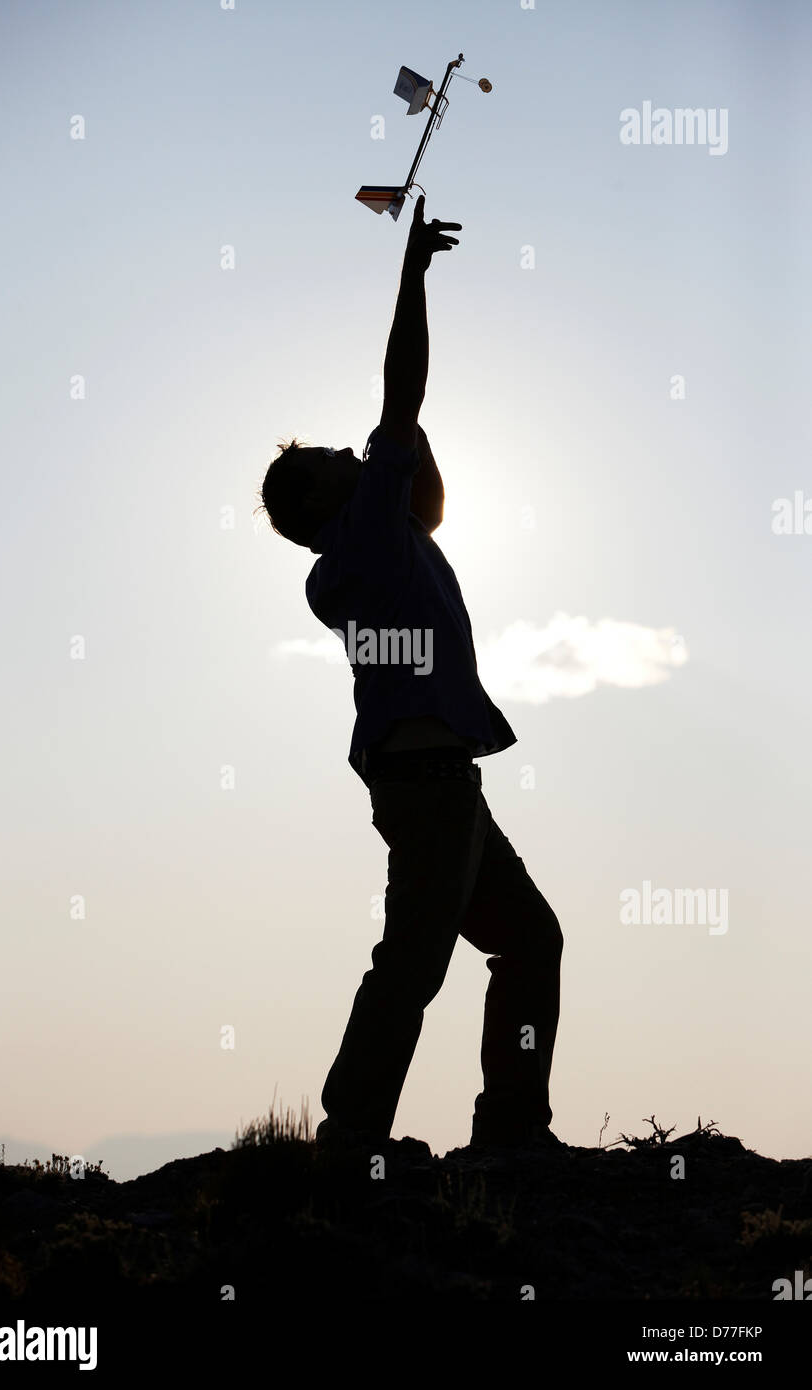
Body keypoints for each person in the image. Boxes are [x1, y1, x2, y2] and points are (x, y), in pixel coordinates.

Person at [258, 195, 564, 1156]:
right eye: (330, 458)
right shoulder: (361, 545)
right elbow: (402, 390)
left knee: (526, 944)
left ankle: (509, 1128)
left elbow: (425, 488)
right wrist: (412, 276)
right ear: (317, 499)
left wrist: (408, 438)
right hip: (429, 787)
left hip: (440, 784)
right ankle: (350, 1134)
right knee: (414, 962)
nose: (352, 451)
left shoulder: (367, 552)